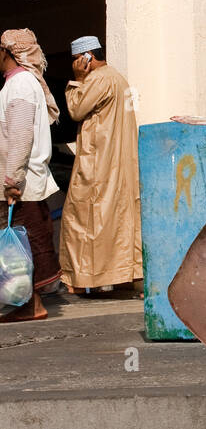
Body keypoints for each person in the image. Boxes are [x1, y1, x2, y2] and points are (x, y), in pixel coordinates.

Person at [59, 36, 143, 295]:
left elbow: (76, 110)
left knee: (81, 219)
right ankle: (123, 275)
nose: (75, 64)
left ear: (86, 58)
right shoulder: (119, 78)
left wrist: (76, 80)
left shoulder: (96, 79)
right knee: (118, 220)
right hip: (119, 162)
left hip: (99, 163)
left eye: (77, 60)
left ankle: (80, 278)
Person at [0, 28, 62, 322]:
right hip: (24, 180)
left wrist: (11, 181)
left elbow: (21, 136)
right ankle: (25, 302)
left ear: (7, 52)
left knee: (23, 245)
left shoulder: (21, 85)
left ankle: (30, 304)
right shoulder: (19, 83)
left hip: (22, 182)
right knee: (24, 243)